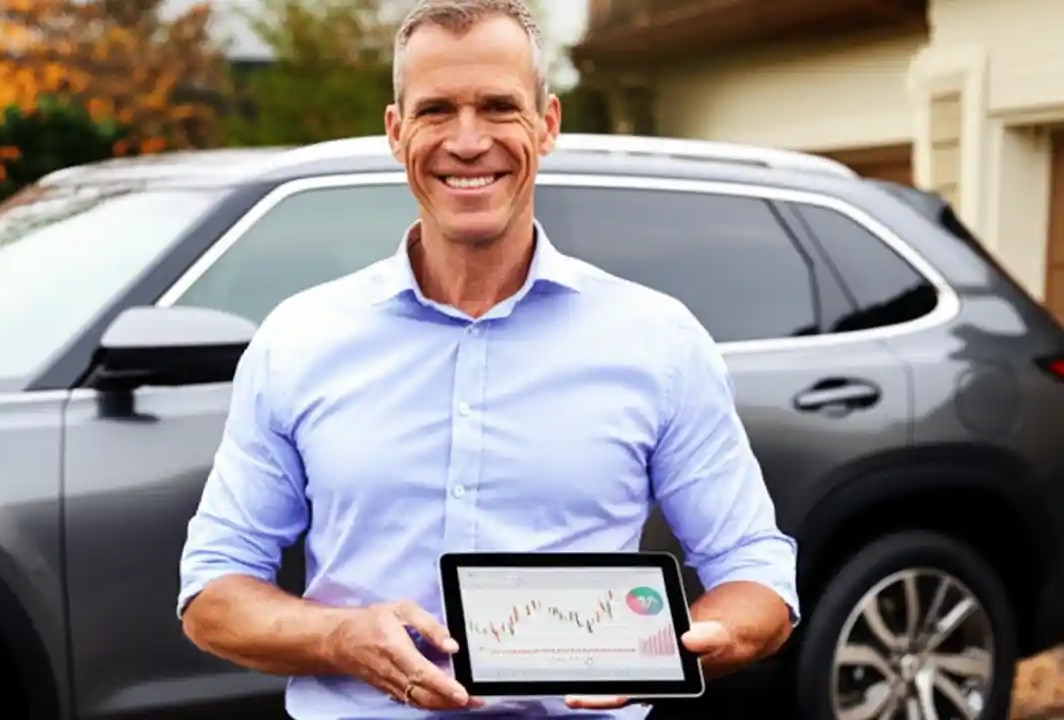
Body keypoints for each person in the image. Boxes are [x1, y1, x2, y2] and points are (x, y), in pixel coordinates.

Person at [177, 0, 799, 716]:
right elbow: (213, 593)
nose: (467, 142)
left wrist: (697, 641)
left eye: (499, 107)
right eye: (436, 110)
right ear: (395, 130)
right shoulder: (299, 340)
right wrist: (338, 637)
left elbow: (757, 571)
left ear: (547, 124)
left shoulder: (658, 342)